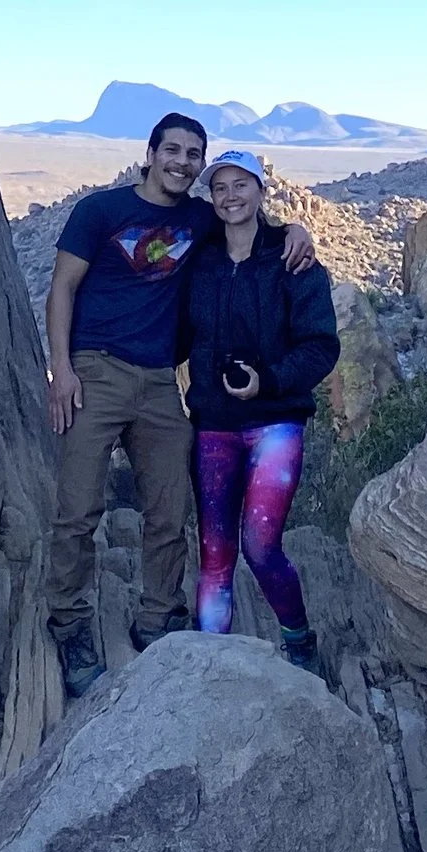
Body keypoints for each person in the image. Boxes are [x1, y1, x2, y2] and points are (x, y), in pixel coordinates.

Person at [44, 113, 315, 700]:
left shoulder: (199, 216)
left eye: (195, 155)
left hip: (162, 382)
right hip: (97, 369)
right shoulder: (101, 212)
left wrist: (297, 230)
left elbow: (249, 224)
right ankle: (69, 626)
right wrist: (61, 371)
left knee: (169, 510)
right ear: (150, 152)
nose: (183, 162)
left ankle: (156, 616)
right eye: (174, 150)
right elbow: (61, 286)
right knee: (78, 508)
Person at [180, 146, 339, 673]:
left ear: (261, 190)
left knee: (260, 544)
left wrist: (269, 380)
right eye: (219, 188)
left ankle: (299, 640)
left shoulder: (292, 261)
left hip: (276, 422)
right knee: (215, 554)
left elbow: (320, 345)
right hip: (214, 426)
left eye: (240, 185)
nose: (230, 197)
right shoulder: (199, 260)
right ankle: (212, 667)